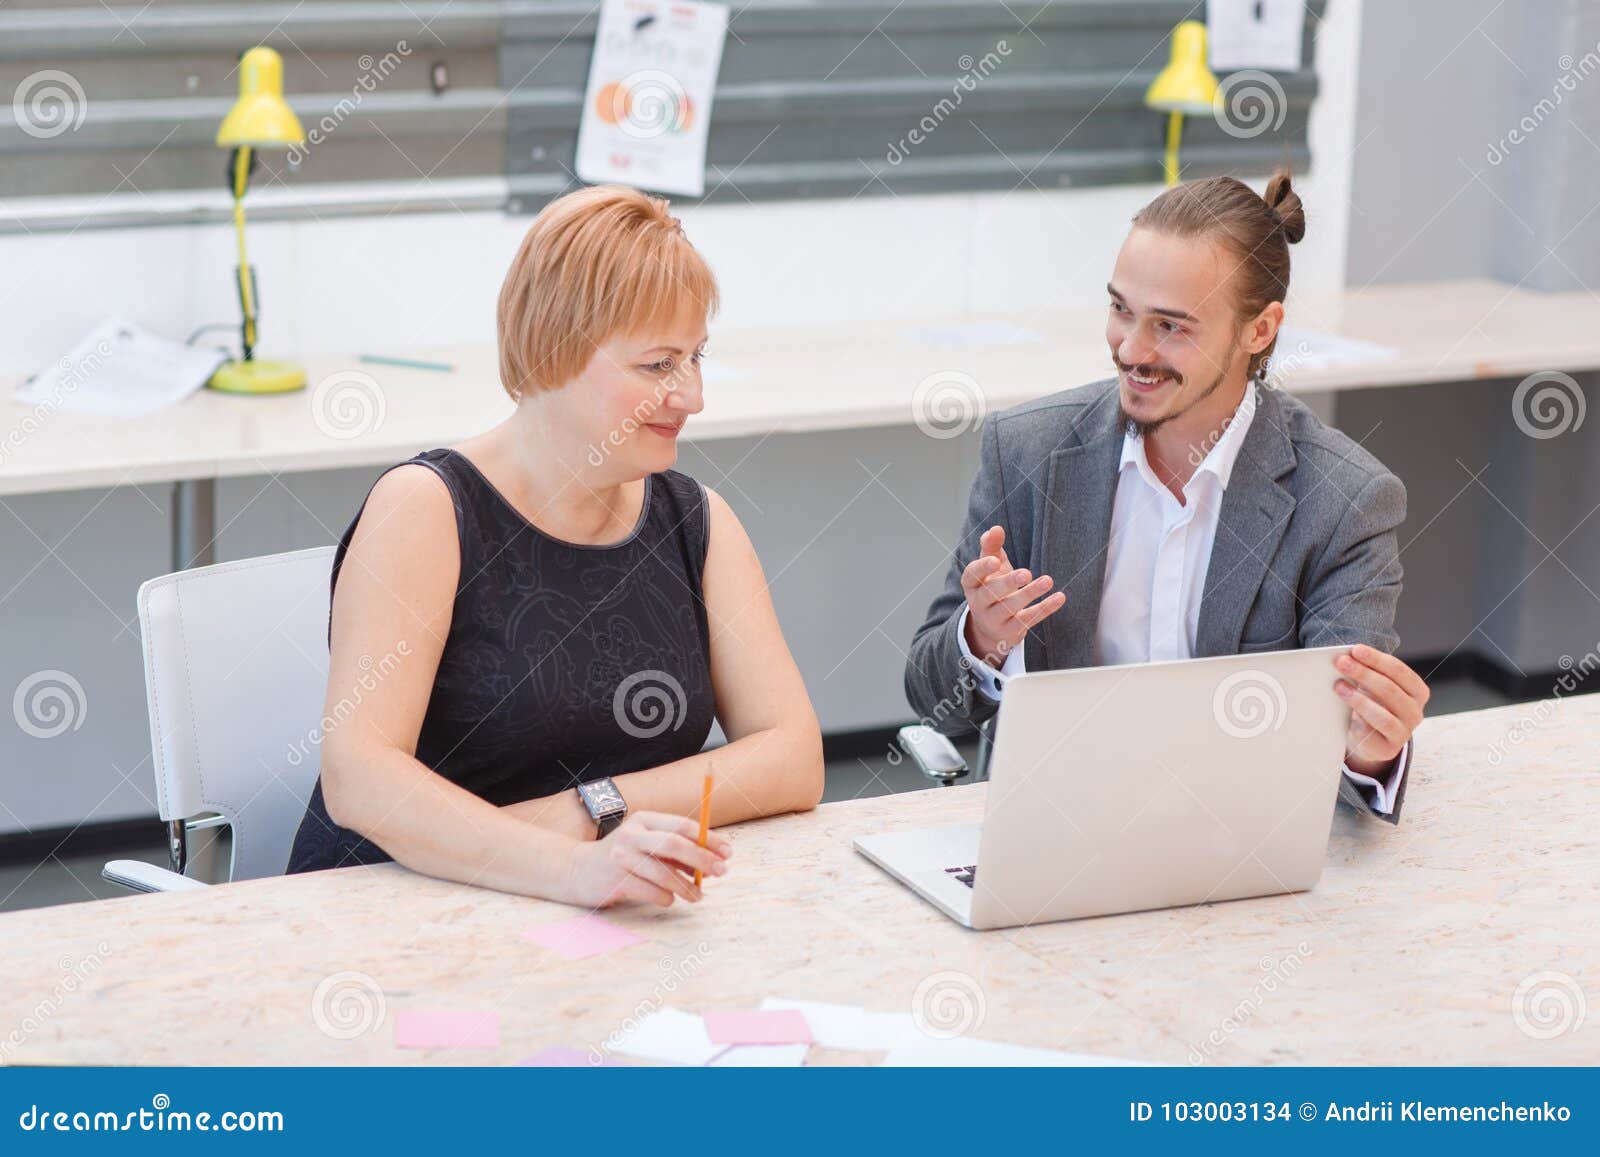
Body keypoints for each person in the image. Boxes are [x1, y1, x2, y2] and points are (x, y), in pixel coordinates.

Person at [287, 184, 824, 901]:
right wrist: (572, 866)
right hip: (383, 910)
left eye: (696, 357)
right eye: (657, 364)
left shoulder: (695, 520)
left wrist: (591, 811)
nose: (692, 395)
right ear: (553, 351)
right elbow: (358, 778)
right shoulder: (426, 509)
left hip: (578, 910)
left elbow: (794, 758)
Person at [905, 170, 1428, 823]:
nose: (1132, 349)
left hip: (1234, 835)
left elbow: (1343, 761)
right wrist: (980, 638)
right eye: (1122, 309)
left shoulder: (1344, 501)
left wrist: (1370, 754)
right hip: (1052, 824)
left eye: (1171, 326)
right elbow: (933, 702)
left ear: (1259, 330)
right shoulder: (1028, 453)